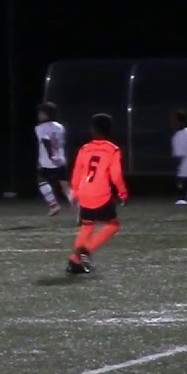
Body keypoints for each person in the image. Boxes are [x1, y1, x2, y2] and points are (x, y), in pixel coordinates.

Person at [67, 113, 128, 274]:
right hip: (100, 194)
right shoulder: (112, 150)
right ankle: (86, 250)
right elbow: (116, 175)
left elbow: (77, 171)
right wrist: (122, 193)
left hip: (84, 193)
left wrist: (74, 191)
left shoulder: (85, 149)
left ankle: (74, 261)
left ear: (92, 130)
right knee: (113, 225)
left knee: (87, 226)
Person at [34, 101, 73, 216]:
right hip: (61, 160)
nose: (39, 115)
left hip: (48, 161)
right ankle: (79, 209)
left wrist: (51, 156)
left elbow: (46, 141)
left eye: (41, 113)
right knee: (65, 186)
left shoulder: (40, 128)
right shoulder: (60, 126)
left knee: (41, 180)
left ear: (46, 114)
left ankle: (53, 205)